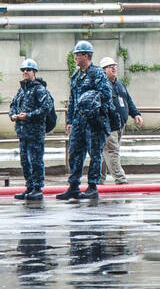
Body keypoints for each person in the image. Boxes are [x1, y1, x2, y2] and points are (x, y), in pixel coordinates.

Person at [59, 40, 114, 201]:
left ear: (86, 56)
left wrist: (92, 105)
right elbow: (72, 99)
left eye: (77, 54)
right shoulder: (76, 76)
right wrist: (70, 121)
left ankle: (92, 186)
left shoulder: (97, 73)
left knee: (95, 153)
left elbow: (106, 95)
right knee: (75, 153)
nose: (75, 57)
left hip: (93, 121)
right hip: (78, 121)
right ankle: (74, 186)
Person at [9, 58, 51, 201]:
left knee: (35, 161)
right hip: (22, 133)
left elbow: (46, 108)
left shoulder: (39, 89)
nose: (25, 72)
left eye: (28, 70)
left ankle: (37, 188)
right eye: (23, 70)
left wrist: (29, 116)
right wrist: (13, 115)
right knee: (25, 161)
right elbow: (13, 105)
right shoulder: (21, 91)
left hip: (35, 132)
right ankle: (29, 187)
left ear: (34, 72)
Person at [98, 56, 143, 185]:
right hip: (108, 125)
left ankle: (98, 179)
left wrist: (136, 114)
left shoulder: (119, 84)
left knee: (104, 152)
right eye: (109, 66)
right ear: (103, 70)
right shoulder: (101, 86)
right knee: (112, 151)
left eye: (114, 66)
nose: (113, 68)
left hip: (119, 125)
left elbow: (128, 100)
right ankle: (120, 179)